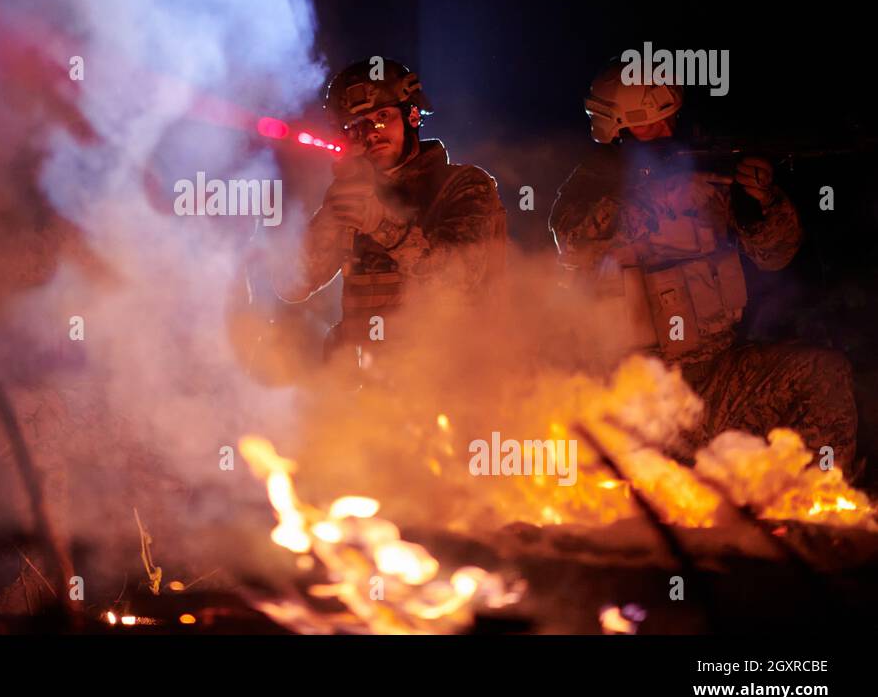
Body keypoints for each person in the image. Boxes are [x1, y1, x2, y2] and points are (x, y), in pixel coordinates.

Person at [549, 60, 858, 474]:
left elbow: (775, 255)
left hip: (719, 377)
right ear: (614, 131)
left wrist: (761, 205)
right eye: (648, 126)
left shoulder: (706, 179)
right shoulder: (589, 186)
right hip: (633, 391)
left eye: (668, 119)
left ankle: (816, 509)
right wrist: (658, 197)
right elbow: (575, 243)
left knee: (822, 374)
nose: (665, 134)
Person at [274, 58, 506, 360]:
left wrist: (383, 225)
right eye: (357, 126)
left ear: (411, 116)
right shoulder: (354, 192)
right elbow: (293, 285)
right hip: (365, 384)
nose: (371, 132)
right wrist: (334, 213)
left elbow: (458, 282)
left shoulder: (464, 186)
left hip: (447, 379)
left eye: (382, 116)